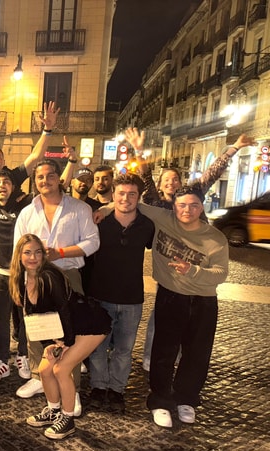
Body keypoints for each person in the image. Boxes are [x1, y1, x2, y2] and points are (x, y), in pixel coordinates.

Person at [125, 128, 256, 371]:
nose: (172, 183)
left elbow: (211, 173)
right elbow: (144, 179)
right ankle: (152, 356)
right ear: (161, 185)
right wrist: (139, 151)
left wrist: (235, 148)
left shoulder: (192, 197)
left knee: (192, 322)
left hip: (198, 269)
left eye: (175, 179)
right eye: (167, 180)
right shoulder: (156, 203)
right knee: (160, 318)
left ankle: (183, 359)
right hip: (170, 271)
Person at [136, 186, 228, 428]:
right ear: (174, 206)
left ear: (201, 207)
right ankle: (160, 400)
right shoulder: (164, 218)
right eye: (182, 205)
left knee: (197, 353)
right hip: (170, 296)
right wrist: (104, 210)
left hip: (203, 301)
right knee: (163, 351)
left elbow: (221, 273)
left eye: (194, 205)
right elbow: (132, 203)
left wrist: (193, 270)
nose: (187, 210)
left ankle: (186, 398)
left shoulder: (215, 238)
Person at [13, 159, 100, 403]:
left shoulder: (79, 208)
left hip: (68, 274)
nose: (45, 181)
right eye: (40, 177)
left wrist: (60, 253)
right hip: (35, 276)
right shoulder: (28, 212)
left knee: (70, 330)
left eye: (50, 175)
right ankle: (38, 376)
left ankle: (71, 385)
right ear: (35, 181)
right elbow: (17, 248)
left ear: (59, 178)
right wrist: (18, 282)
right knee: (36, 328)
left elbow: (93, 242)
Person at [10, 235, 107, 440]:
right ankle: (53, 411)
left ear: (43, 255)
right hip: (66, 329)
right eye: (27, 252)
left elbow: (64, 310)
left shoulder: (49, 275)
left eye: (38, 252)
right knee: (44, 370)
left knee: (61, 369)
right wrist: (49, 344)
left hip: (88, 324)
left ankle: (68, 419)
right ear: (19, 255)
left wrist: (66, 342)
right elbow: (37, 316)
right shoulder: (22, 278)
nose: (33, 257)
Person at [86, 174, 154, 414]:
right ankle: (98, 387)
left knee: (124, 350)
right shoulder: (99, 222)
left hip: (131, 298)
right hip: (100, 295)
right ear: (113, 195)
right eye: (121, 193)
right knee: (97, 348)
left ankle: (117, 390)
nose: (126, 198)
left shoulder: (147, 225)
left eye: (132, 194)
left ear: (138, 197)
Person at [0, 170, 32, 382]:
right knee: (1, 320)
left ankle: (23, 355)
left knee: (25, 318)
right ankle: (3, 361)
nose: (2, 185)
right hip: (0, 273)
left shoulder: (24, 205)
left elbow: (53, 192)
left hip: (22, 272)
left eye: (6, 182)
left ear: (13, 187)